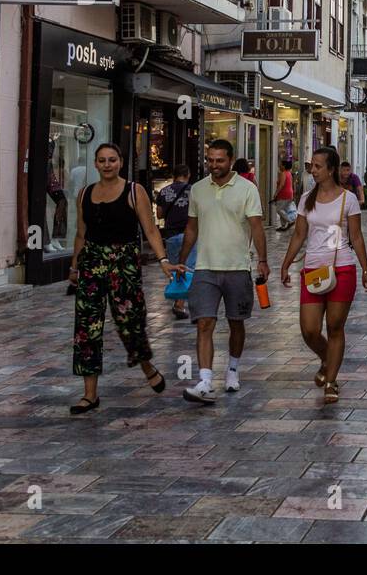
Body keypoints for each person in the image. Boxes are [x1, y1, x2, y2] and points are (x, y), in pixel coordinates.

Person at [68, 142, 174, 414]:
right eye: (102, 160)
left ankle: (147, 366)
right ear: (95, 164)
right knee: (86, 328)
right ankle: (89, 394)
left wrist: (163, 260)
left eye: (112, 160)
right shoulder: (84, 194)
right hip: (91, 263)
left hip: (123, 263)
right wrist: (74, 268)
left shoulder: (133, 191)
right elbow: (81, 234)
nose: (107, 165)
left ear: (120, 162)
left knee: (130, 322)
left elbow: (150, 230)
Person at [175, 139, 268, 405]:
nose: (214, 165)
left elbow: (257, 226)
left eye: (219, 160)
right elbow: (192, 227)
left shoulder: (247, 189)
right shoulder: (198, 189)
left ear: (230, 160)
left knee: (236, 323)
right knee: (204, 322)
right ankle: (205, 381)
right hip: (204, 267)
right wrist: (182, 259)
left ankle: (233, 369)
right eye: (210, 160)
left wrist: (262, 260)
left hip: (237, 267)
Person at [280, 147, 367, 405]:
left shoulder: (348, 199)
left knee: (334, 327)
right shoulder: (306, 198)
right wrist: (286, 263)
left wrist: (365, 269)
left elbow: (356, 236)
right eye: (312, 166)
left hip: (342, 268)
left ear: (331, 170)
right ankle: (326, 359)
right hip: (313, 269)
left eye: (318, 166)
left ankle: (331, 380)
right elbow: (298, 234)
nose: (313, 170)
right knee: (309, 330)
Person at [156, 165, 196, 316]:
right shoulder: (194, 190)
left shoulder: (164, 191)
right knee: (189, 267)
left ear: (174, 175)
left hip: (171, 236)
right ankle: (179, 303)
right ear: (188, 174)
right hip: (190, 234)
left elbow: (159, 214)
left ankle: (178, 299)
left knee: (175, 268)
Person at [273, 158, 296, 231]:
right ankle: (283, 226)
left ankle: (290, 221)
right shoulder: (289, 173)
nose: (279, 166)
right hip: (289, 194)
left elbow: (282, 184)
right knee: (283, 209)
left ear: (284, 166)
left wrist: (276, 193)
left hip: (284, 195)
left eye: (281, 165)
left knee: (279, 209)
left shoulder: (283, 173)